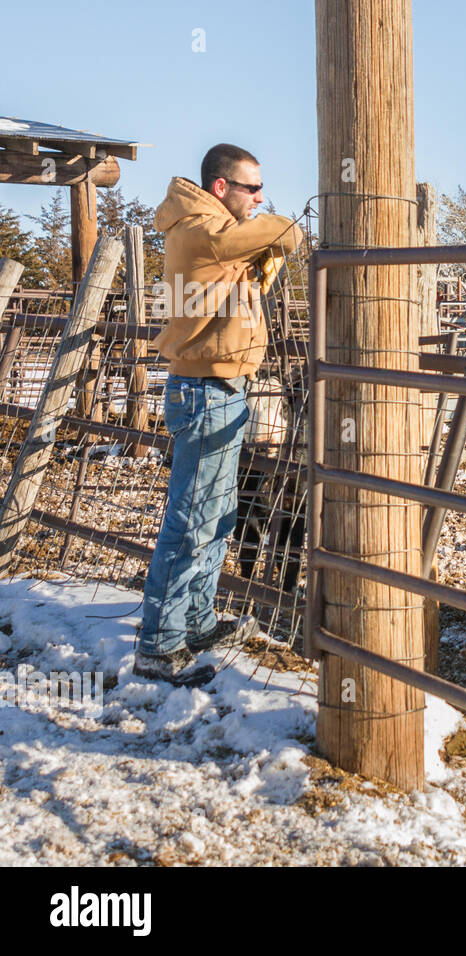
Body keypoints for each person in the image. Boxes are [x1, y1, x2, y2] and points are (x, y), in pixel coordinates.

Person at [135, 144, 304, 686]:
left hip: (222, 387)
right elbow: (289, 231)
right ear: (220, 187)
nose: (260, 197)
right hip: (206, 390)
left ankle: (197, 620)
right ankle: (159, 646)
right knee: (191, 520)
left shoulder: (217, 234)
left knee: (218, 514)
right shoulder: (201, 232)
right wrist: (281, 227)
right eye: (251, 188)